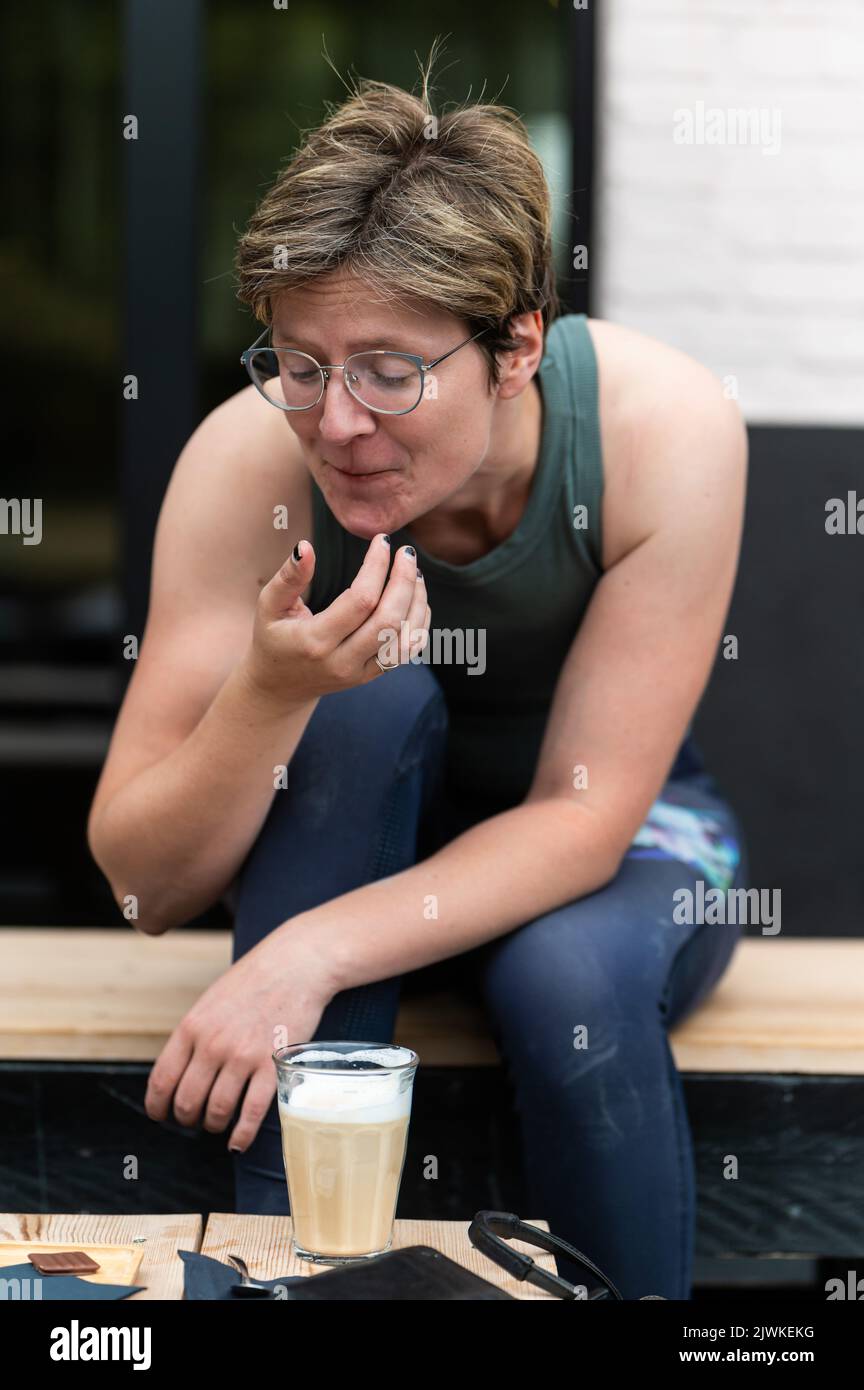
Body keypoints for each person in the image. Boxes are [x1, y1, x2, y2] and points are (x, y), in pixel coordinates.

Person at [87, 63, 749, 1301]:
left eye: (390, 370)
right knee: (363, 696)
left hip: (608, 843)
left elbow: (585, 815)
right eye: (298, 363)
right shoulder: (245, 462)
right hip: (351, 837)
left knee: (566, 982)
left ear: (515, 346)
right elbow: (141, 880)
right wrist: (268, 697)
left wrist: (304, 953)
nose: (336, 422)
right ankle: (289, 1282)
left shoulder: (667, 433)